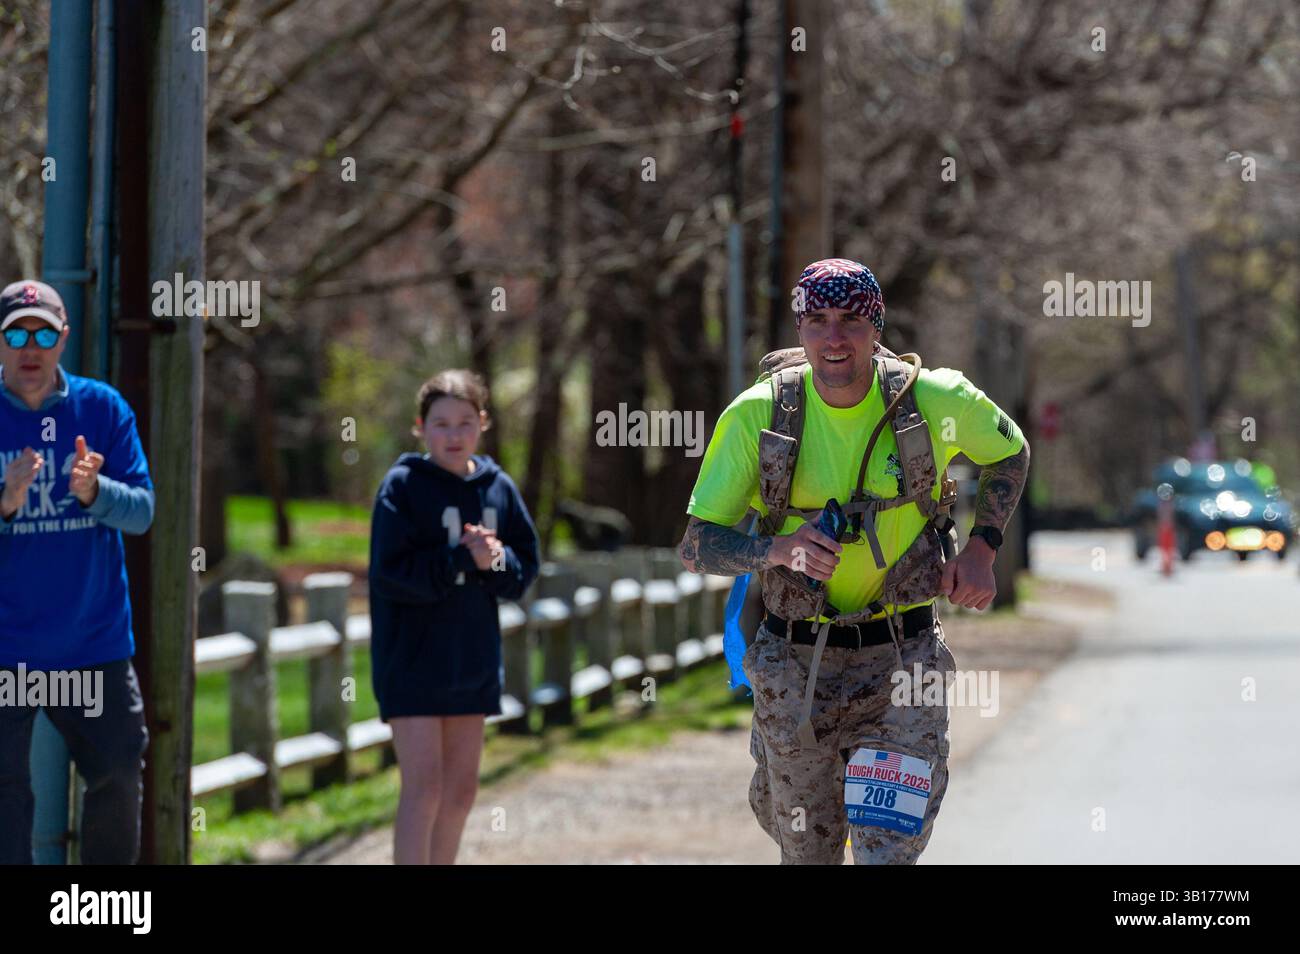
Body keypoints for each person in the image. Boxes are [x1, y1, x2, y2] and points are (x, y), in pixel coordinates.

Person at [678, 258, 1030, 864]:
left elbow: (1011, 451)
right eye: (816, 321)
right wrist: (778, 548)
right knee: (807, 853)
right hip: (793, 666)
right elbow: (696, 544)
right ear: (799, 330)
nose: (834, 338)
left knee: (884, 855)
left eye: (850, 320)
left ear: (877, 325)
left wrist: (983, 547)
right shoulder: (757, 415)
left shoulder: (934, 399)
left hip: (902, 662)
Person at [0, 279, 155, 864]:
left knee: (118, 771)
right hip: (7, 646)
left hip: (91, 642)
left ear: (63, 339)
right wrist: (4, 503)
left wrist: (95, 492)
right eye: (16, 333)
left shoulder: (103, 408)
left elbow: (141, 513)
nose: (29, 346)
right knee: (5, 791)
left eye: (43, 332)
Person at [368, 369, 540, 864]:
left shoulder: (497, 487)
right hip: (412, 660)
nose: (453, 434)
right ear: (420, 427)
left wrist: (495, 559)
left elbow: (521, 570)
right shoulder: (401, 487)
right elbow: (389, 574)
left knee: (461, 793)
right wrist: (462, 560)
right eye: (440, 423)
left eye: (465, 421)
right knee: (423, 790)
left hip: (473, 659)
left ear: (482, 423)